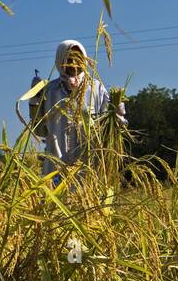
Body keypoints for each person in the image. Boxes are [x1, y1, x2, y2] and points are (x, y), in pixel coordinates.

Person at [29, 39, 126, 185]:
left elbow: (109, 128)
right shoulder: (49, 90)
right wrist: (34, 101)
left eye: (77, 57)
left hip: (87, 169)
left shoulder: (96, 89)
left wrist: (117, 114)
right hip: (56, 169)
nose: (73, 62)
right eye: (69, 58)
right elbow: (40, 131)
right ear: (60, 60)